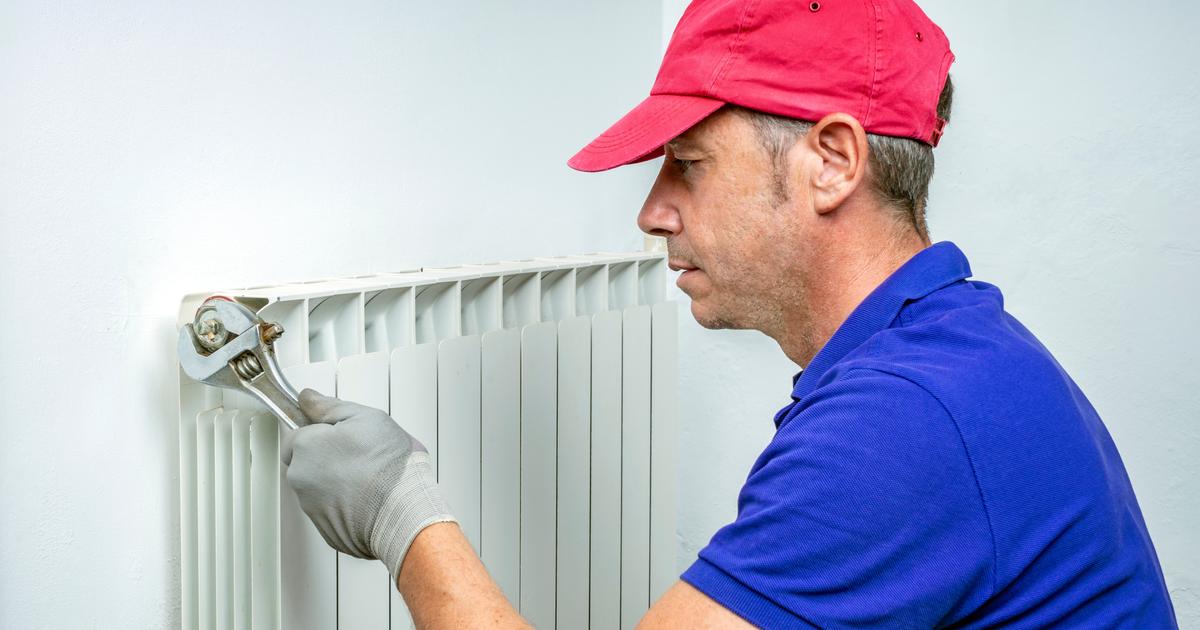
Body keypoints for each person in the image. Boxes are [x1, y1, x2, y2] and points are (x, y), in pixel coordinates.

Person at [281, 0, 1178, 627]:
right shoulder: (958, 349)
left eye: (689, 162)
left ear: (831, 161)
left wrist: (402, 516)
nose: (651, 209)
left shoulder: (903, 422)